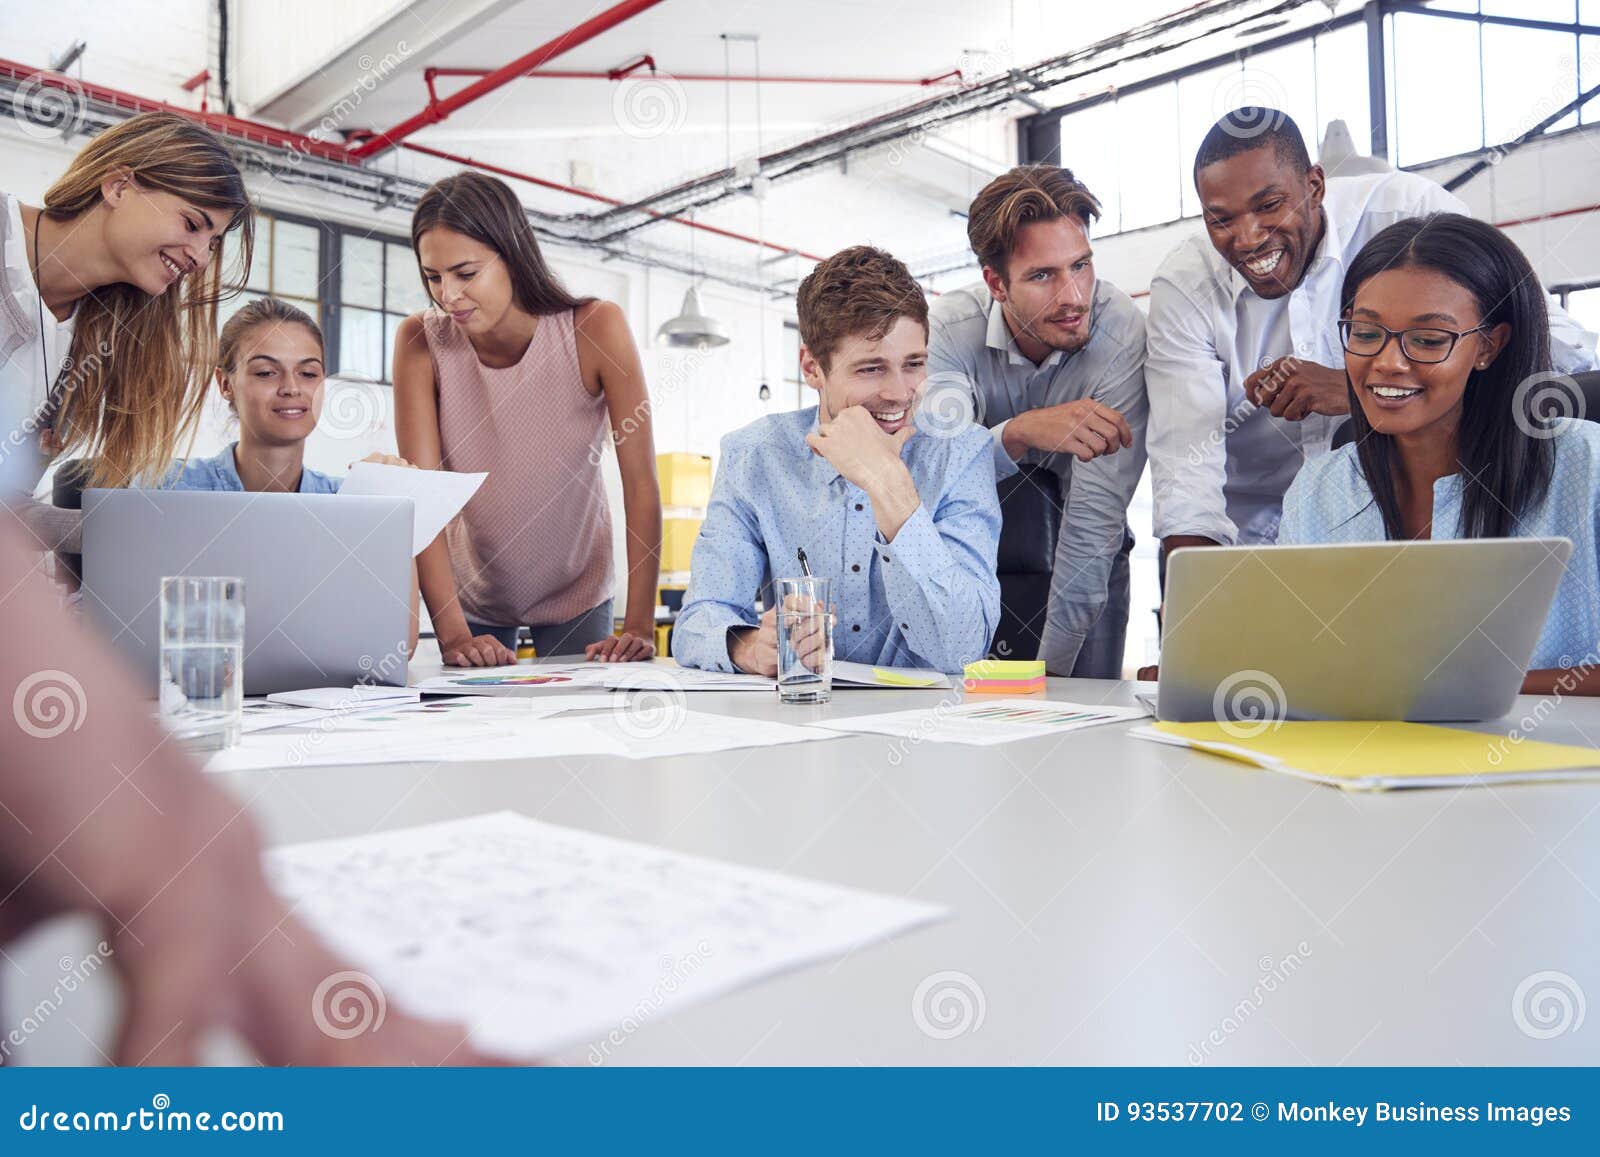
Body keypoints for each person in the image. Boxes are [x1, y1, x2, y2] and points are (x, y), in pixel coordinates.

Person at [1144, 107, 1596, 557]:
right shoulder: (1187, 284)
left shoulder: (1412, 215)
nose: (1247, 238)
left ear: (1315, 185)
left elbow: (1557, 348)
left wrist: (1362, 388)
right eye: (1221, 219)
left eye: (1269, 206)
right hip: (1249, 533)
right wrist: (1197, 592)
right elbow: (1186, 464)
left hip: (1450, 511)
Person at [1277, 214, 1599, 696]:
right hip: (1370, 764)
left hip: (1558, 764)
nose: (1387, 361)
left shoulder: (1586, 466)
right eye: (1365, 333)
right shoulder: (1318, 490)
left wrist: (1437, 690)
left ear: (1489, 347)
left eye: (1428, 340)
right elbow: (1296, 661)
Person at [673, 245, 1000, 677]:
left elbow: (963, 649)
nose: (901, 393)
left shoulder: (961, 452)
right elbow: (698, 619)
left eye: (914, 364)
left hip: (926, 728)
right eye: (871, 369)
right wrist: (750, 646)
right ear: (812, 367)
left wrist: (888, 482)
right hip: (803, 722)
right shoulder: (755, 456)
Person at [394, 172, 661, 667]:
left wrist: (641, 624)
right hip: (471, 592)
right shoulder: (420, 342)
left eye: (466, 273)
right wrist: (452, 635)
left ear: (513, 254)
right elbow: (421, 497)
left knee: (577, 729)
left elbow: (641, 482)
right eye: (433, 277)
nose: (447, 295)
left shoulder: (595, 327)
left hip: (576, 588)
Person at [0, 110, 255, 555]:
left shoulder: (91, 340)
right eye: (193, 224)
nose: (199, 257)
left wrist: (129, 534)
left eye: (212, 242)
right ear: (118, 186)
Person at [928, 164, 1146, 677]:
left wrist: (1049, 684)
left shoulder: (1120, 334)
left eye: (1081, 265)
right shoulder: (949, 332)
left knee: (1086, 720)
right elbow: (938, 475)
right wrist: (1020, 433)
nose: (1073, 297)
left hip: (1087, 543)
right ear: (996, 284)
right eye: (1043, 276)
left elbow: (1093, 525)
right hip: (975, 541)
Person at [157, 296, 421, 656]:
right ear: (225, 384)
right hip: (203, 697)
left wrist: (395, 509)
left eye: (308, 373)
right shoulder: (166, 490)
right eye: (266, 372)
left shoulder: (352, 505)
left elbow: (397, 644)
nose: (291, 388)